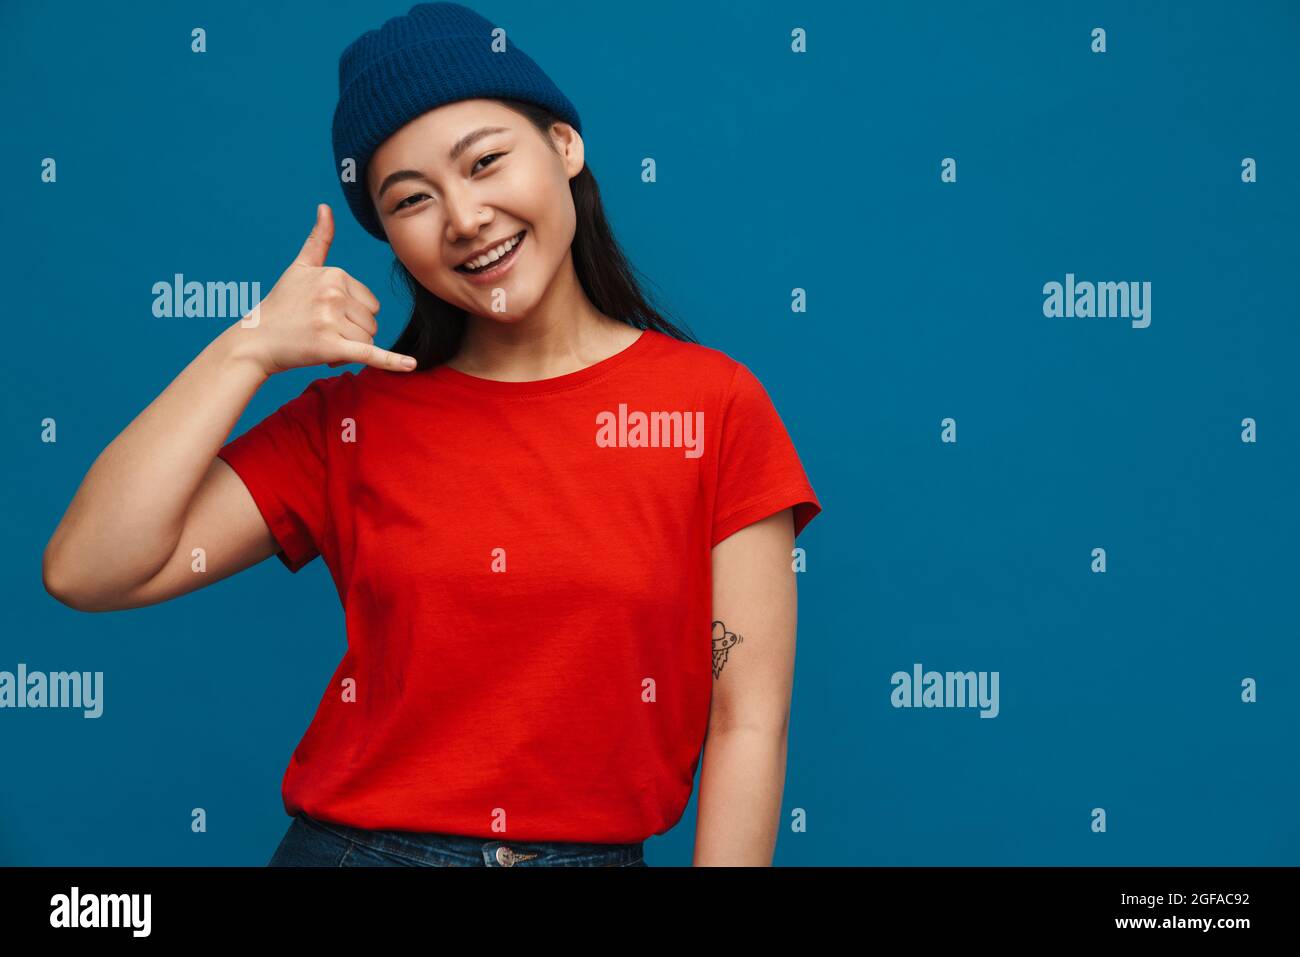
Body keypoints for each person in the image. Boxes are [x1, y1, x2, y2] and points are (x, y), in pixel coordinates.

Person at [41, 1, 822, 867]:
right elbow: (87, 569)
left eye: (486, 161)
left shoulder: (712, 407)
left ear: (565, 146)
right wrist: (248, 346)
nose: (465, 217)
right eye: (411, 199)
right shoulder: (352, 421)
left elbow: (748, 716)